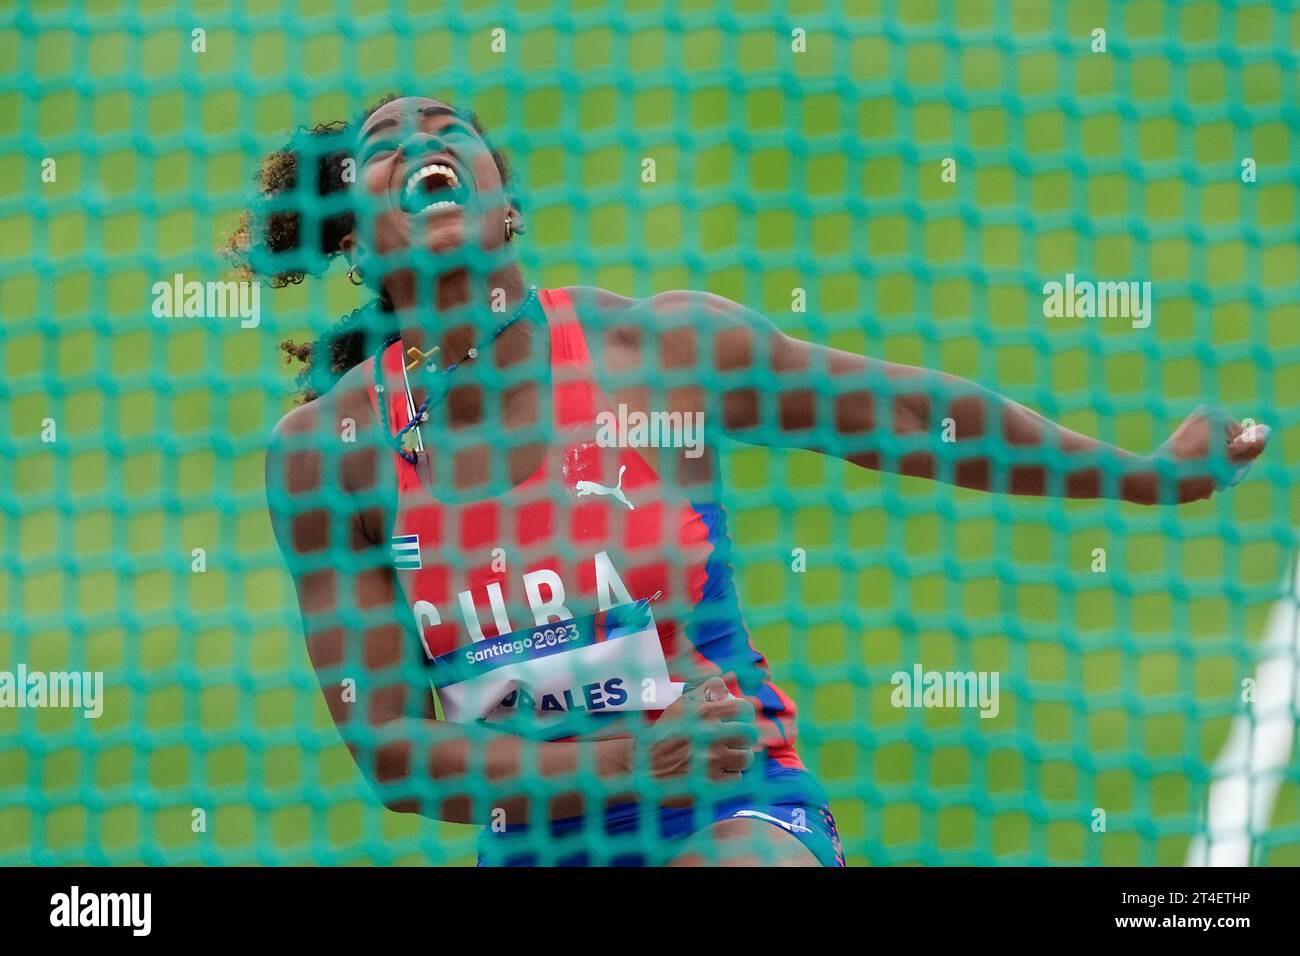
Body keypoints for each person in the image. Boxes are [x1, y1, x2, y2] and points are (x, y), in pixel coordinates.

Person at [235, 94, 1268, 866]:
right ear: (360, 248)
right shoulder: (330, 456)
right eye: (383, 146)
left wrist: (1139, 476)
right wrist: (618, 766)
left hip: (736, 806)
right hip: (542, 838)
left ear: (507, 215)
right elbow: (392, 750)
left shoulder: (657, 354)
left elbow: (911, 416)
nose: (422, 141)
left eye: (451, 128)